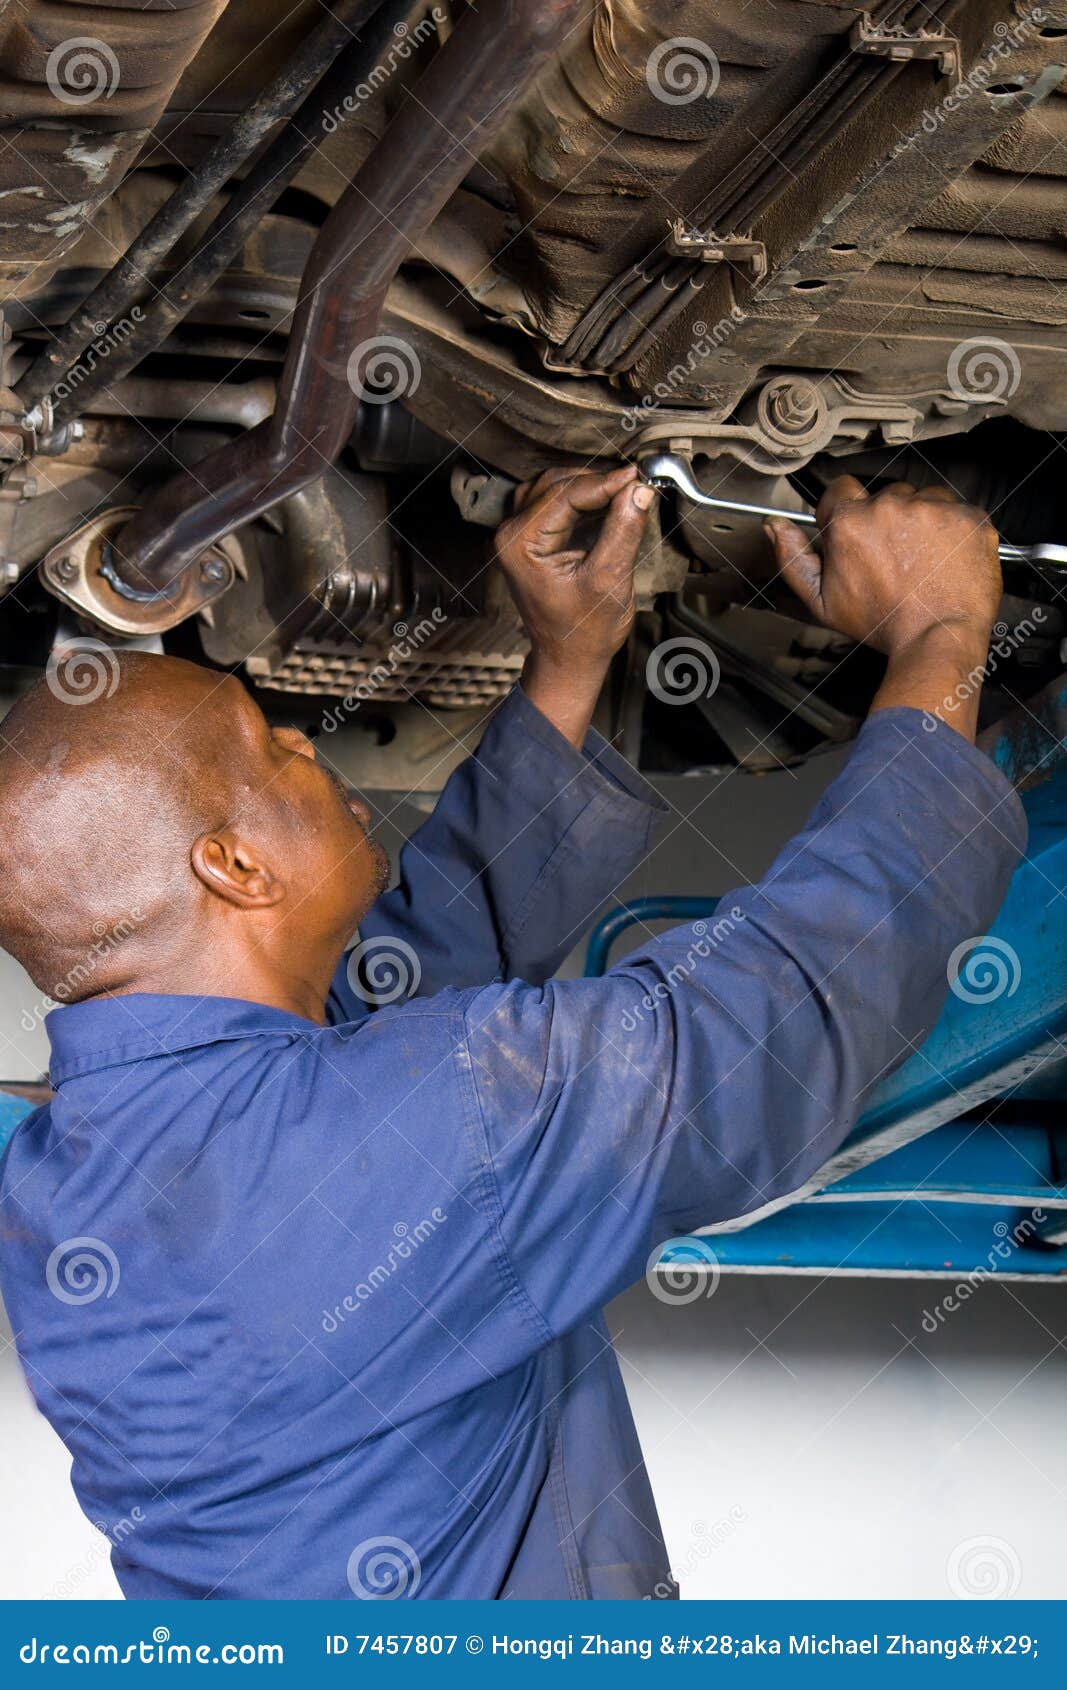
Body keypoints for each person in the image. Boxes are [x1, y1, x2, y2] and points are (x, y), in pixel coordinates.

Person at [0, 465, 1024, 1600]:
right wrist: (939, 630)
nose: (304, 737)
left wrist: (569, 662)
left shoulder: (72, 1180)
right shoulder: (380, 1134)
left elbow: (387, 1035)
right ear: (234, 866)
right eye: (271, 745)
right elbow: (778, 1013)